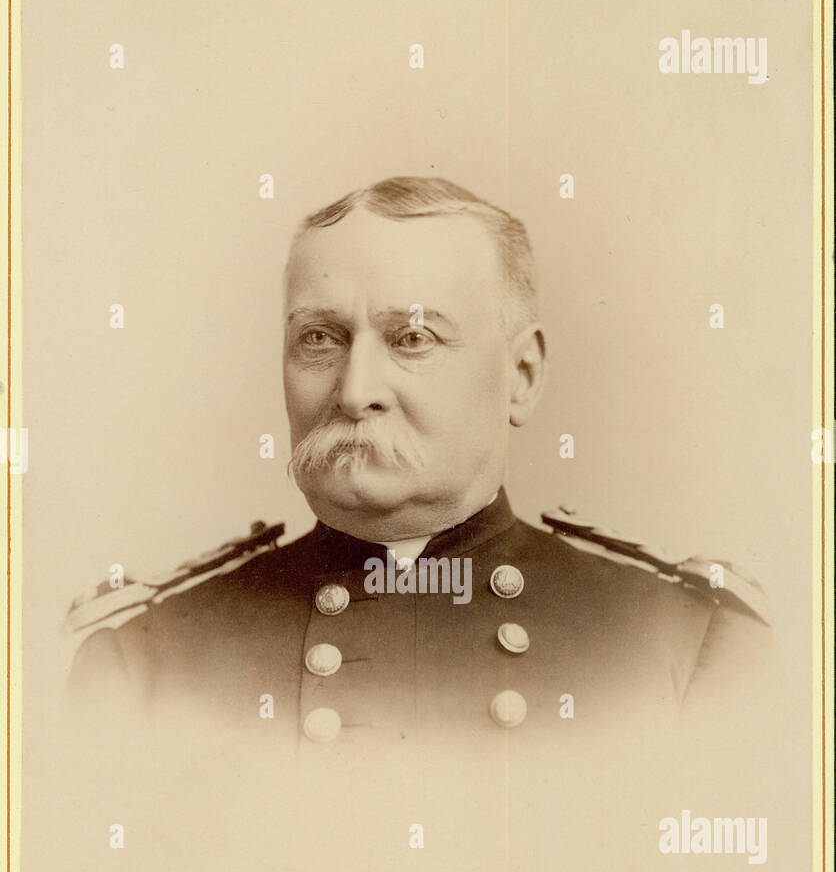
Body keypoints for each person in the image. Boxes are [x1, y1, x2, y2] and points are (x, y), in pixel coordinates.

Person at [66, 176, 771, 753]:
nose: (354, 391)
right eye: (319, 338)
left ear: (521, 375)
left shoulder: (691, 648)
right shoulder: (140, 668)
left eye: (412, 337)